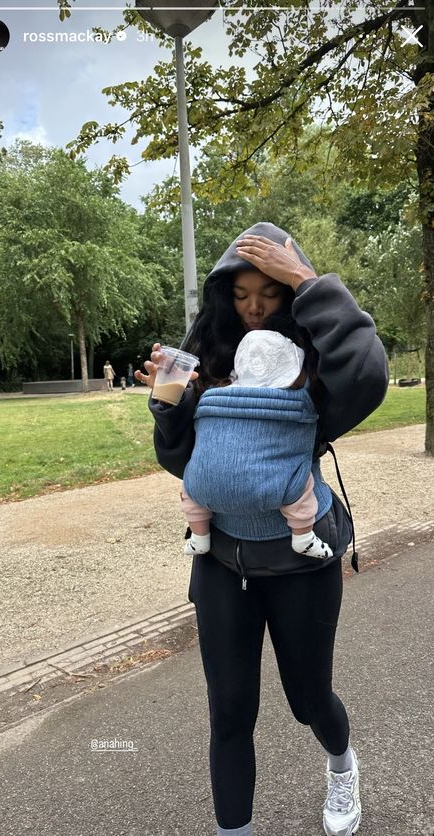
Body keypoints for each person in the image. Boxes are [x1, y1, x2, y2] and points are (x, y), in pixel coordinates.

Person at [135, 222, 389, 836]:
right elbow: (180, 460)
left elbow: (371, 377)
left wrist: (308, 281)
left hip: (302, 561)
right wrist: (170, 408)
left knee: (308, 702)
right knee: (229, 712)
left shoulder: (315, 369)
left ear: (288, 296)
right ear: (226, 293)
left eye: (270, 293)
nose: (254, 307)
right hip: (222, 561)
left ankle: (341, 765)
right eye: (243, 292)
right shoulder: (209, 363)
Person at [180, 329, 333, 562]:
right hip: (273, 487)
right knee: (300, 484)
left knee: (190, 487)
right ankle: (303, 537)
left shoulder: (214, 396)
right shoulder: (297, 400)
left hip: (203, 487)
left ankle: (200, 537)